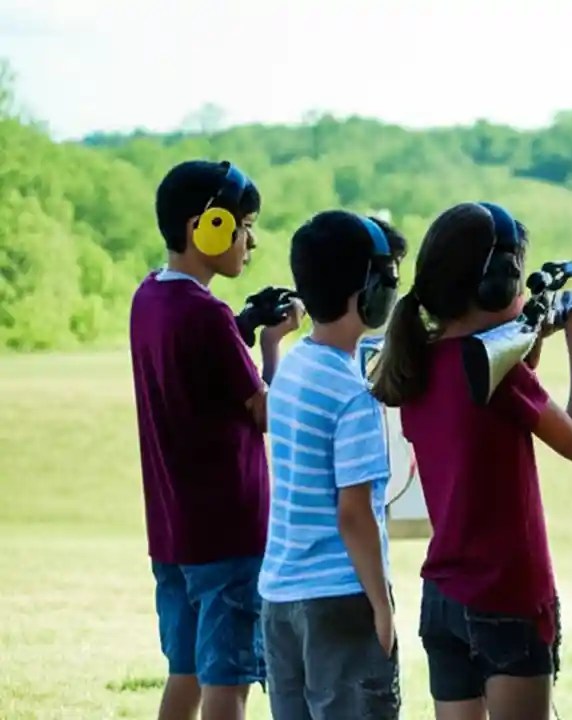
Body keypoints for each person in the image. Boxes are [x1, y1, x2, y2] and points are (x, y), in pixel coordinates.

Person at [368, 201, 572, 720]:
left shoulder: (420, 364)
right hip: (508, 595)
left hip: (444, 599)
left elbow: (482, 412)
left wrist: (531, 338)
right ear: (494, 284)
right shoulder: (499, 376)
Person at [130, 159, 303, 720]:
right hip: (229, 533)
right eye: (243, 223)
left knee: (186, 672)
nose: (249, 239)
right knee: (227, 681)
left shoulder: (149, 297)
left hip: (174, 530)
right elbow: (267, 412)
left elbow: (197, 372)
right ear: (205, 226)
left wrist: (242, 324)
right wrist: (273, 343)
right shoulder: (208, 316)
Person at [257, 210, 408, 719]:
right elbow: (355, 514)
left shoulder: (294, 366)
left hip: (279, 599)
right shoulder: (351, 395)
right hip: (340, 599)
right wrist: (382, 604)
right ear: (366, 290)